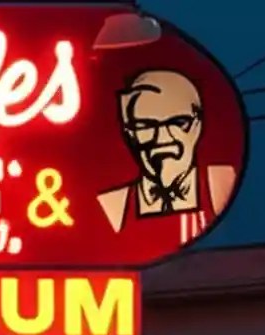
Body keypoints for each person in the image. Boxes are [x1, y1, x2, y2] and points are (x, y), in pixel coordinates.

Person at [96, 70, 237, 247]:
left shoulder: (219, 183)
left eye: (178, 123)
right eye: (145, 126)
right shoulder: (114, 204)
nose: (162, 138)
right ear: (130, 134)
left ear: (197, 126)